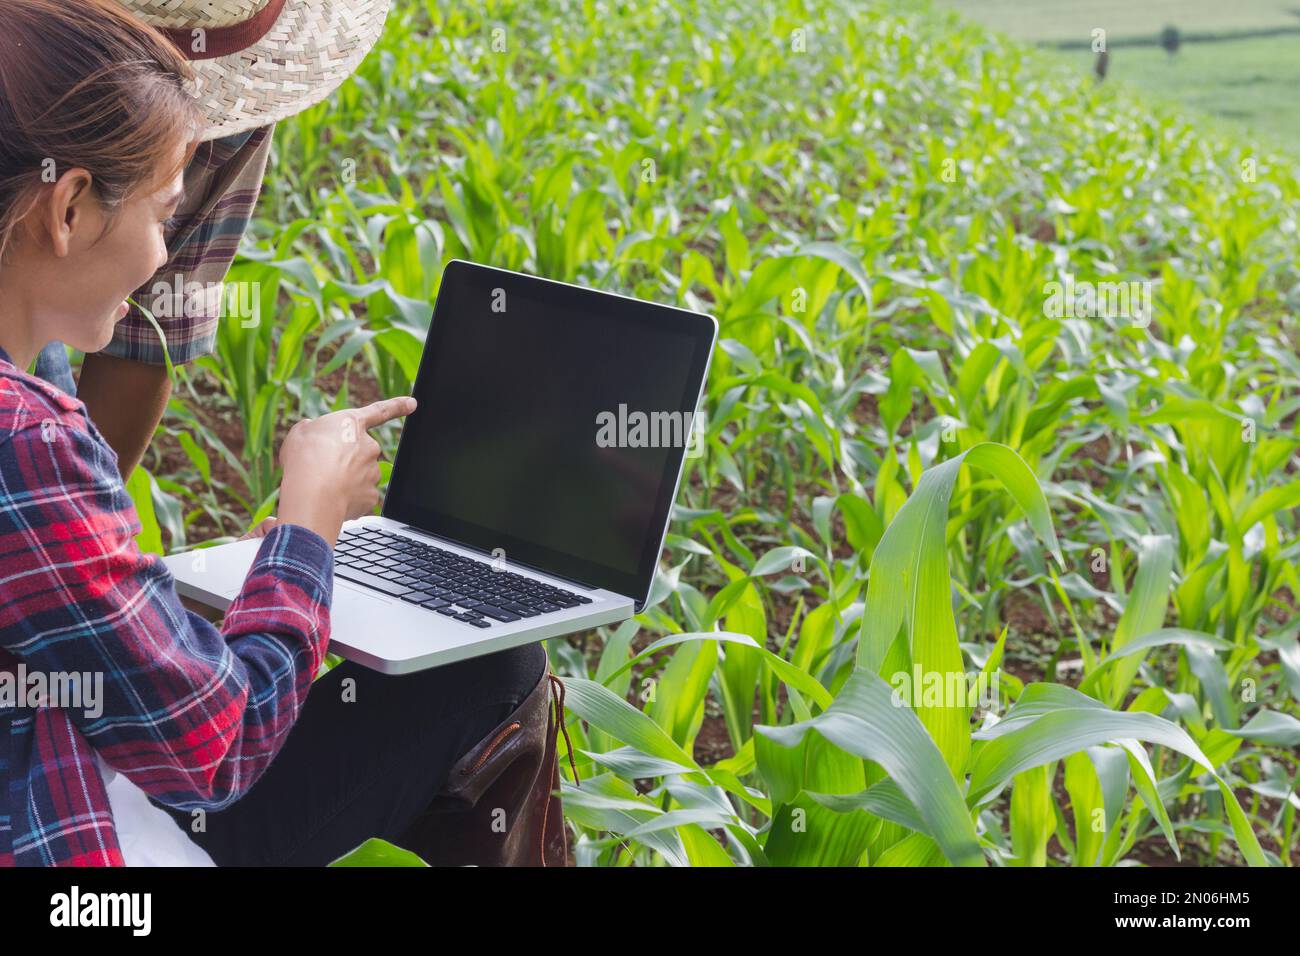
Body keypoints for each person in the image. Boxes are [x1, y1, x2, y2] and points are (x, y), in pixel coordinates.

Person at [0, 0, 549, 867]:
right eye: (160, 213)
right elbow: (214, 749)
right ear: (67, 210)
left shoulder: (33, 375)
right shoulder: (28, 437)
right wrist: (305, 537)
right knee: (496, 672)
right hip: (63, 828)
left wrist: (154, 599)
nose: (161, 259)